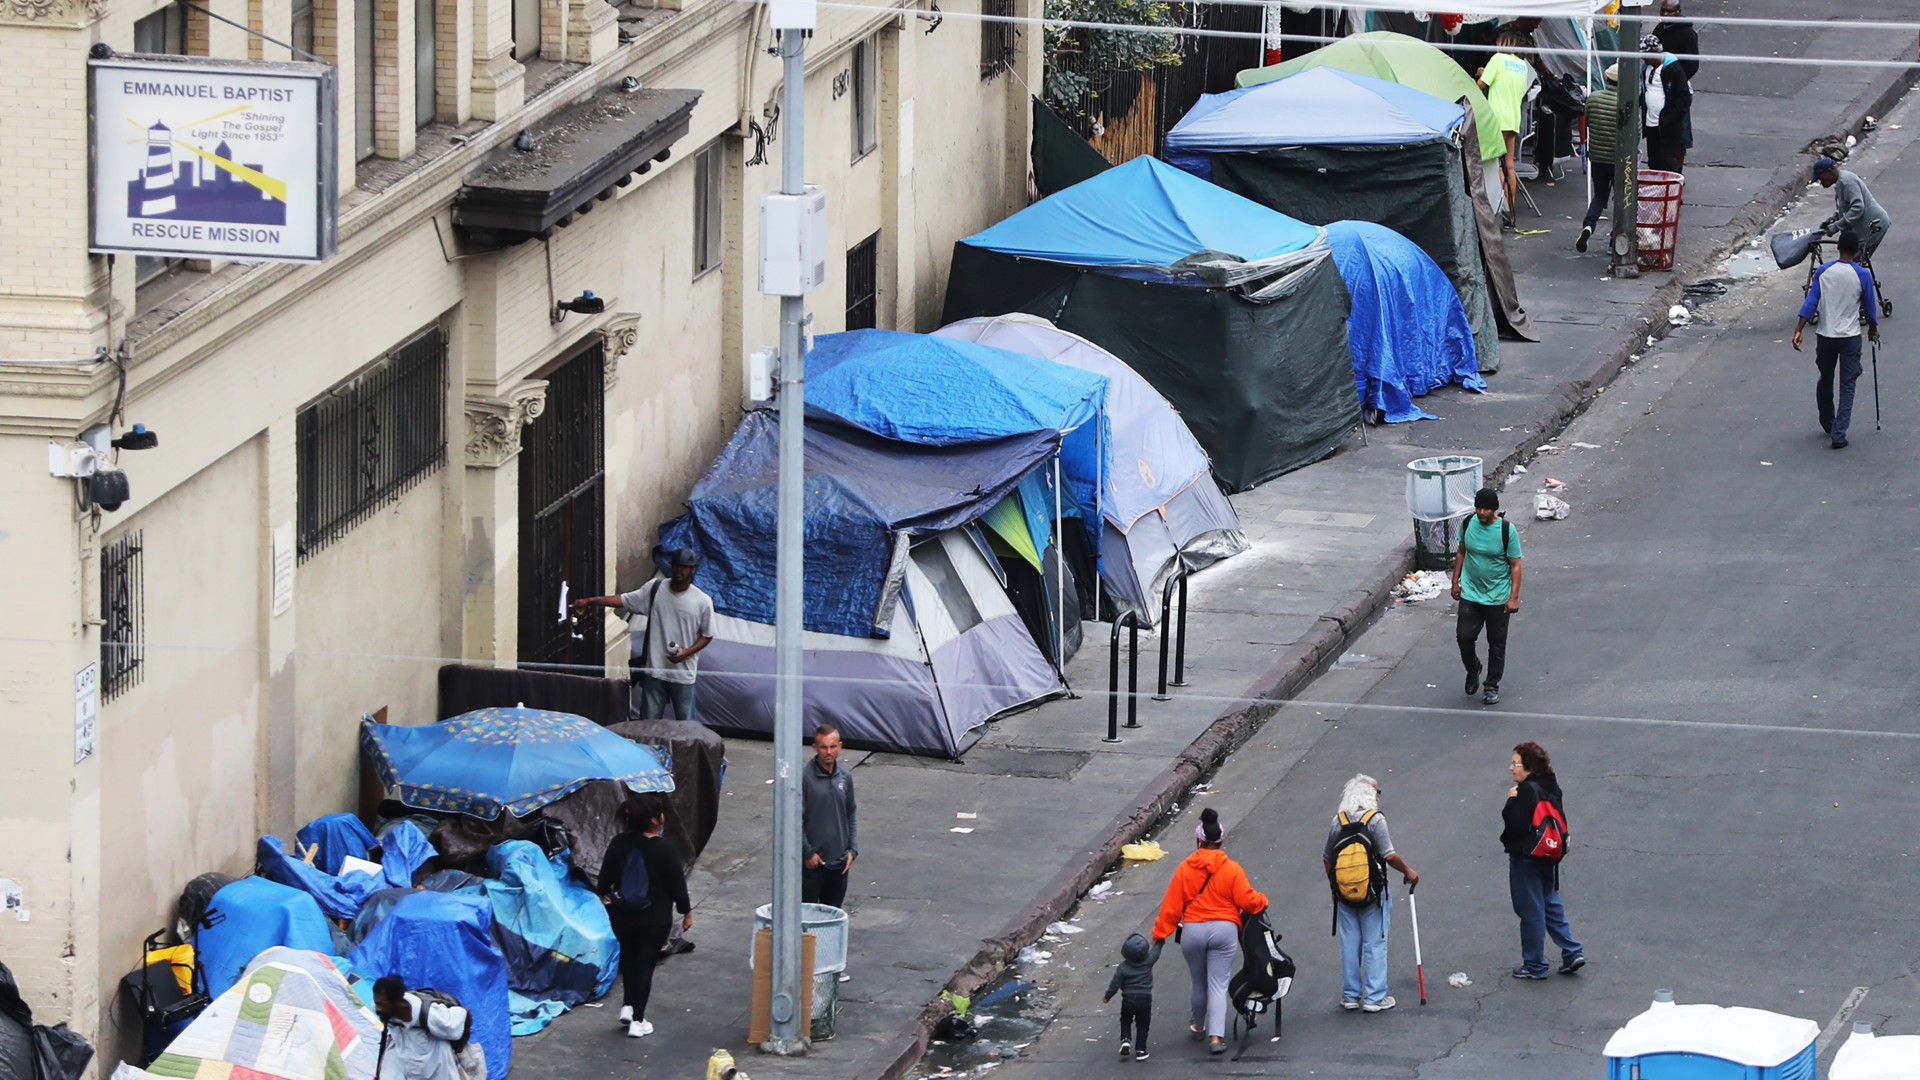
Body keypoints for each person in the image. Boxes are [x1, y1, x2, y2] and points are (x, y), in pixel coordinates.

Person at [1151, 807, 1268, 1057]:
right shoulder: (1232, 869)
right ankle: (1216, 1037)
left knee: (1198, 981)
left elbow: (1171, 907)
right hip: (1224, 930)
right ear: (1221, 841)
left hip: (1193, 931)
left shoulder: (1185, 869)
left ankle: (1198, 1026)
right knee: (1218, 983)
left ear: (1199, 840)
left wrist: (1159, 935)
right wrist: (1262, 901)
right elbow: (1248, 901)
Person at [573, 547, 714, 722]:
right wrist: (591, 601)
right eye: (676, 566)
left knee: (687, 727)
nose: (679, 570)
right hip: (654, 672)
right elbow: (623, 600)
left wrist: (688, 652)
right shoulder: (655, 589)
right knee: (647, 726)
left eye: (684, 567)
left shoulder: (702, 601)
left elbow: (707, 635)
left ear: (693, 569)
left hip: (683, 675)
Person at [597, 792, 694, 1038]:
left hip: (622, 916)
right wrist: (686, 912)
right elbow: (678, 886)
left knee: (629, 959)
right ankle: (638, 1021)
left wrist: (606, 897)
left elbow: (604, 879)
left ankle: (628, 1006)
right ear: (654, 820)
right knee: (645, 964)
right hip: (654, 919)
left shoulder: (619, 843)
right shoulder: (665, 849)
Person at [1322, 775, 1419, 1013]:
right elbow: (1389, 855)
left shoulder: (1338, 820)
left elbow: (1327, 858)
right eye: (1377, 792)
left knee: (1350, 943)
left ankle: (1350, 996)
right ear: (1369, 795)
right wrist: (1408, 871)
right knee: (1375, 943)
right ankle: (1375, 998)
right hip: (1373, 893)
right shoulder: (1375, 820)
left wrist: (1334, 887)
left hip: (1344, 892)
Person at [1501, 742, 1585, 979]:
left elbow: (1517, 825)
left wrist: (1511, 801)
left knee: (1531, 911)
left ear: (1528, 767)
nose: (1511, 767)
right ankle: (1572, 951)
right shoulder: (1551, 786)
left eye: (1515, 763)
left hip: (1526, 857)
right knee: (1550, 903)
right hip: (1549, 853)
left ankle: (1535, 965)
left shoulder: (1526, 790)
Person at [1793, 229, 1881, 448]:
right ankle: (1839, 433)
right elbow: (1870, 308)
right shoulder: (1863, 275)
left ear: (1839, 248)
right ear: (1857, 251)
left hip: (1826, 335)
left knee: (1825, 377)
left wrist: (1799, 329)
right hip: (1850, 336)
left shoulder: (1823, 272)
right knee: (1847, 384)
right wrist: (1873, 329)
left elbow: (1810, 302)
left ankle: (1828, 422)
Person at [1450, 488, 1522, 706]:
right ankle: (1473, 669)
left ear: (1494, 510)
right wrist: (1455, 581)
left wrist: (1513, 597)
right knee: (1464, 636)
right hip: (1471, 593)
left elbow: (1515, 565)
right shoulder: (1467, 523)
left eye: (1486, 509)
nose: (1481, 512)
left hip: (1498, 596)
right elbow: (1461, 551)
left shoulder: (1506, 531)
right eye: (1478, 508)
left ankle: (1491, 686)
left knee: (1496, 643)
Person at [372, 976, 481, 1080]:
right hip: (406, 1063)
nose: (377, 1009)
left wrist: (458, 1048)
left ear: (398, 1003)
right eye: (376, 1003)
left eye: (381, 1004)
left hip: (437, 1069)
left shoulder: (430, 1014)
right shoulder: (390, 1016)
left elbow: (463, 1016)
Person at [1476, 31, 1534, 216]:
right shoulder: (1522, 65)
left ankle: (1497, 209)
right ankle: (1511, 210)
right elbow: (1506, 82)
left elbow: (1481, 85)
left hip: (1497, 119)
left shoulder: (1497, 59)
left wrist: (1481, 75)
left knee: (1494, 165)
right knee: (1509, 166)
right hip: (1514, 120)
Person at [801, 723, 858, 910]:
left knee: (833, 916)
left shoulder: (845, 777)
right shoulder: (804, 778)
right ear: (815, 748)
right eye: (823, 747)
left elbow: (850, 812)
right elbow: (795, 819)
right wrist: (808, 853)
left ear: (840, 746)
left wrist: (852, 850)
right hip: (813, 866)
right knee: (807, 917)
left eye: (833, 746)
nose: (828, 752)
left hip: (839, 864)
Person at [1576, 64, 1622, 253]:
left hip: (1597, 156)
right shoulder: (1626, 102)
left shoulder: (1593, 98)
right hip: (1618, 159)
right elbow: (1636, 133)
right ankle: (1615, 240)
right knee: (1622, 199)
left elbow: (1586, 121)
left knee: (1600, 195)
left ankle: (1588, 226)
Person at [1102, 932, 1165, 1061]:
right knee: (1143, 1024)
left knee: (1125, 1020)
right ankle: (1141, 1050)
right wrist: (1160, 939)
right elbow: (1157, 950)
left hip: (1128, 999)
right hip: (1145, 999)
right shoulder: (1149, 960)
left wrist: (1107, 996)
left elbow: (1115, 983)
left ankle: (1125, 1040)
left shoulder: (1123, 967)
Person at [1814, 158, 1892, 261]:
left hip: (1874, 225)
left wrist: (1836, 226)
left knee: (1854, 260)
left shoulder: (1847, 182)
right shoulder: (1840, 183)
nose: (1821, 183)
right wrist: (1832, 220)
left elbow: (1858, 207)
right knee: (1853, 259)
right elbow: (1845, 208)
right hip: (1865, 227)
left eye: (1821, 178)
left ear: (1829, 172)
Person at [1653, 0, 1700, 172]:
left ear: (1679, 11)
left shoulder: (1687, 34)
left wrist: (1676, 82)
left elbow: (1692, 65)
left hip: (1678, 90)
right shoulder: (1659, 29)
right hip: (1657, 87)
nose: (1666, 14)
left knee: (1680, 134)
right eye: (1663, 11)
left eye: (1670, 11)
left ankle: (1677, 172)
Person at [1640, 33, 1691, 173]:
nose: (1643, 58)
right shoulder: (1646, 69)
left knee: (1667, 161)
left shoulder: (1673, 69)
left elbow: (1684, 97)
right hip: (1651, 123)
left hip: (1668, 126)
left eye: (1645, 54)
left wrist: (1669, 118)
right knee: (1653, 161)